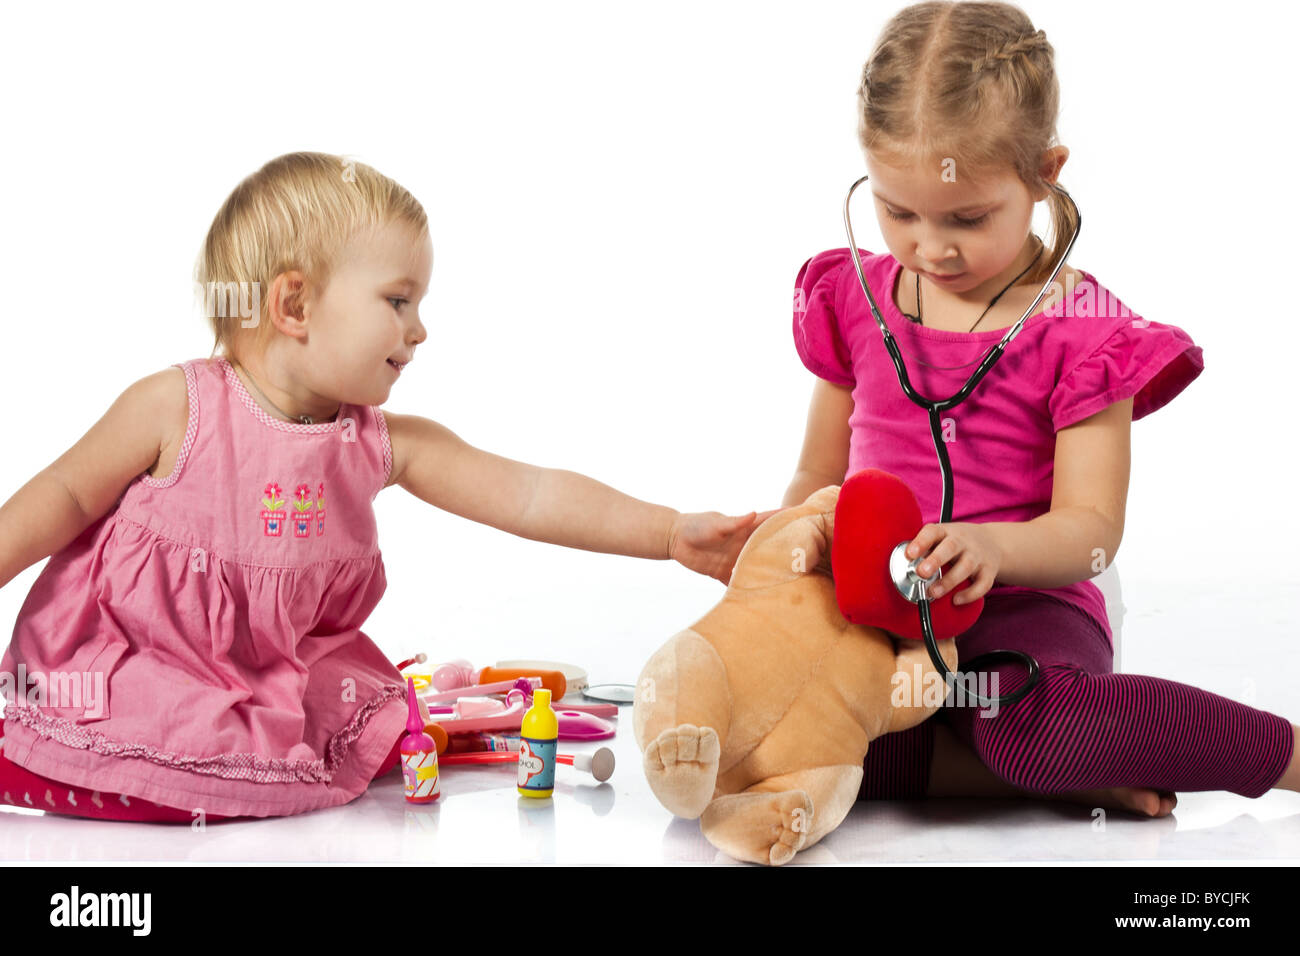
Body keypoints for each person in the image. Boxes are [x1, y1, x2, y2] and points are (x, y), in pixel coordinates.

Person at [0, 151, 775, 823]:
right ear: (294, 304)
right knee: (103, 717)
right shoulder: (178, 406)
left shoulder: (376, 443)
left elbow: (527, 493)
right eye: (399, 301)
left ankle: (197, 775)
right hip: (142, 657)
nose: (420, 329)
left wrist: (669, 533)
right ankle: (64, 768)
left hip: (271, 677)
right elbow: (66, 494)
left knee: (353, 724)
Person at [784, 1, 1298, 818]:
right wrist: (787, 555)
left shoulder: (1085, 330)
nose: (929, 246)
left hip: (1030, 607)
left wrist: (994, 549)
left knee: (1023, 718)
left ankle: (1282, 754)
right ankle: (1034, 775)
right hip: (884, 612)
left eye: (967, 216)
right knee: (793, 731)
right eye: (897, 210)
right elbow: (818, 472)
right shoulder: (852, 300)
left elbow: (1090, 531)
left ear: (1045, 172)